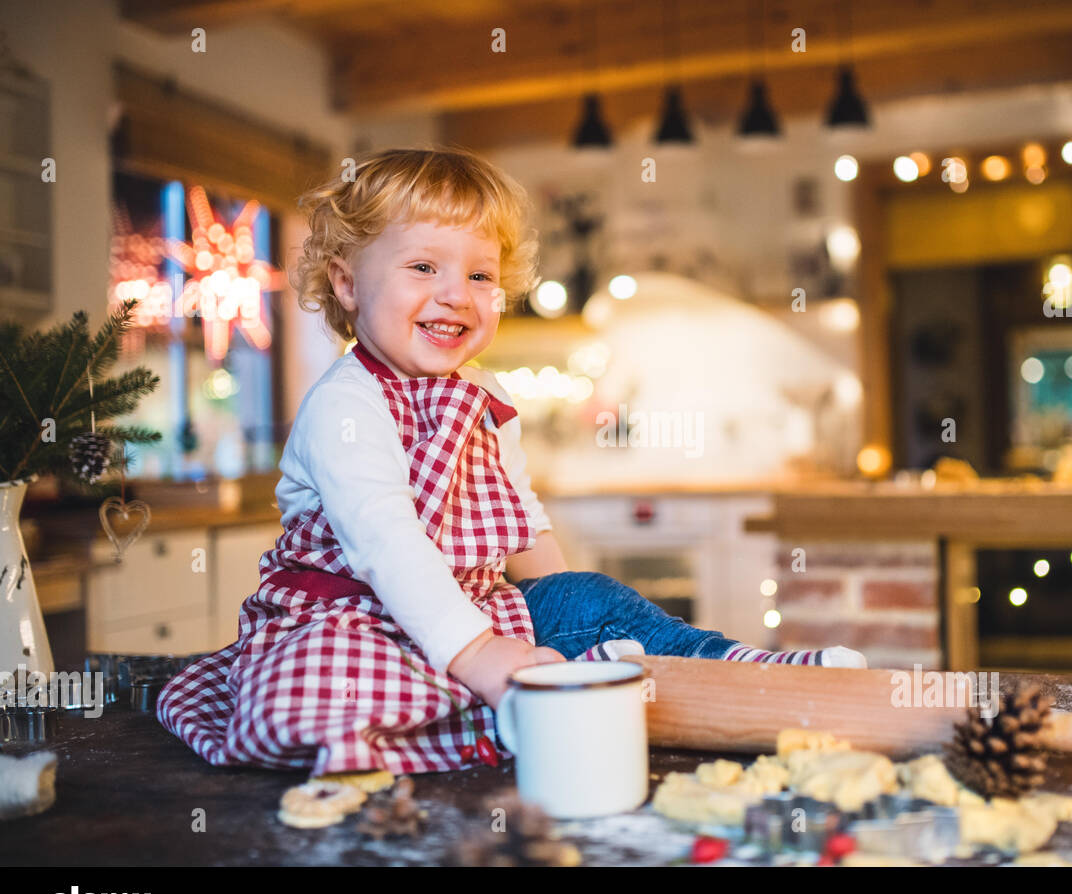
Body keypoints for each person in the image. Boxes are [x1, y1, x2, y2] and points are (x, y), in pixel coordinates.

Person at [157, 147, 865, 776]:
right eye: (423, 267)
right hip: (350, 620)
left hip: (477, 612)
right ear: (346, 284)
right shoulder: (347, 405)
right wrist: (484, 657)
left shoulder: (485, 395)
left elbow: (522, 523)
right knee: (309, 699)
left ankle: (760, 674)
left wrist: (570, 613)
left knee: (593, 601)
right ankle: (499, 707)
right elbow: (388, 546)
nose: (456, 294)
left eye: (480, 274)